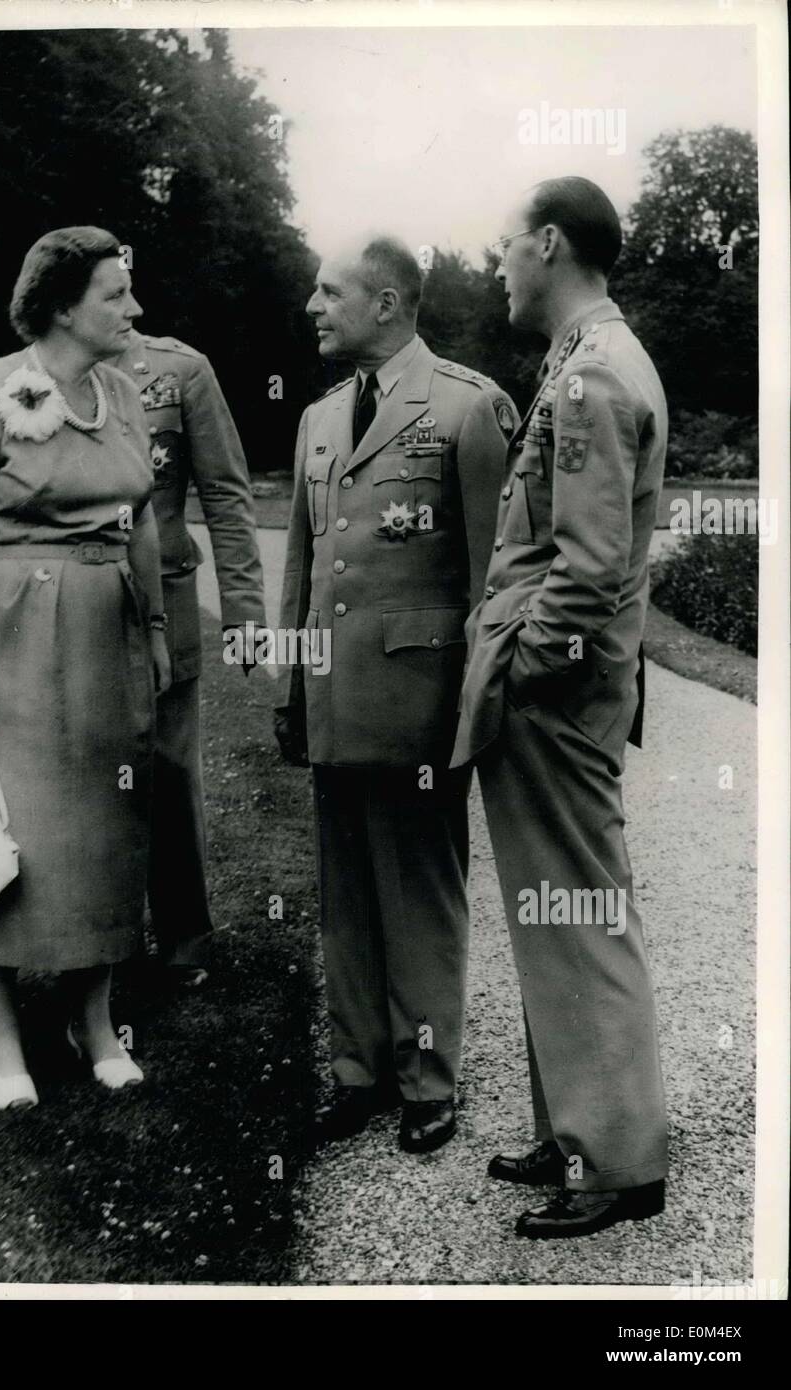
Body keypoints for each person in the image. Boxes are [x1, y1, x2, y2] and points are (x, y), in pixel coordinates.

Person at [450, 178, 669, 1237]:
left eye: (504, 244)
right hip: (559, 692)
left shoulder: (587, 379)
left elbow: (583, 573)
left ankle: (618, 1160)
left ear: (547, 243)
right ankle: (574, 1126)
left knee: (577, 915)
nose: (496, 264)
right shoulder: (585, 363)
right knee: (553, 915)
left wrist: (523, 673)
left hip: (554, 697)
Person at [275, 235, 515, 1153]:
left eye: (329, 290)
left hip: (422, 699)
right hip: (336, 696)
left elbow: (499, 570)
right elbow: (302, 569)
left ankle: (427, 1080)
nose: (312, 305)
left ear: (386, 303)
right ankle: (356, 1071)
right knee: (346, 892)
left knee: (419, 889)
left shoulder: (467, 405)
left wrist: (481, 703)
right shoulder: (320, 417)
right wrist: (293, 687)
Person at [0, 226, 171, 1110]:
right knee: (6, 827)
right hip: (12, 629)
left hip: (105, 627)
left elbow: (139, 518)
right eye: (116, 294)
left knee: (106, 824)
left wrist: (151, 623)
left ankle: (94, 1019)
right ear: (64, 304)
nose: (134, 309)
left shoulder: (123, 393)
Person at [108, 323, 265, 988]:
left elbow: (225, 494)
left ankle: (183, 936)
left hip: (166, 593)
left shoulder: (180, 371)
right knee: (90, 771)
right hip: (76, 593)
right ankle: (101, 938)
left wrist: (245, 611)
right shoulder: (42, 372)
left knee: (168, 768)